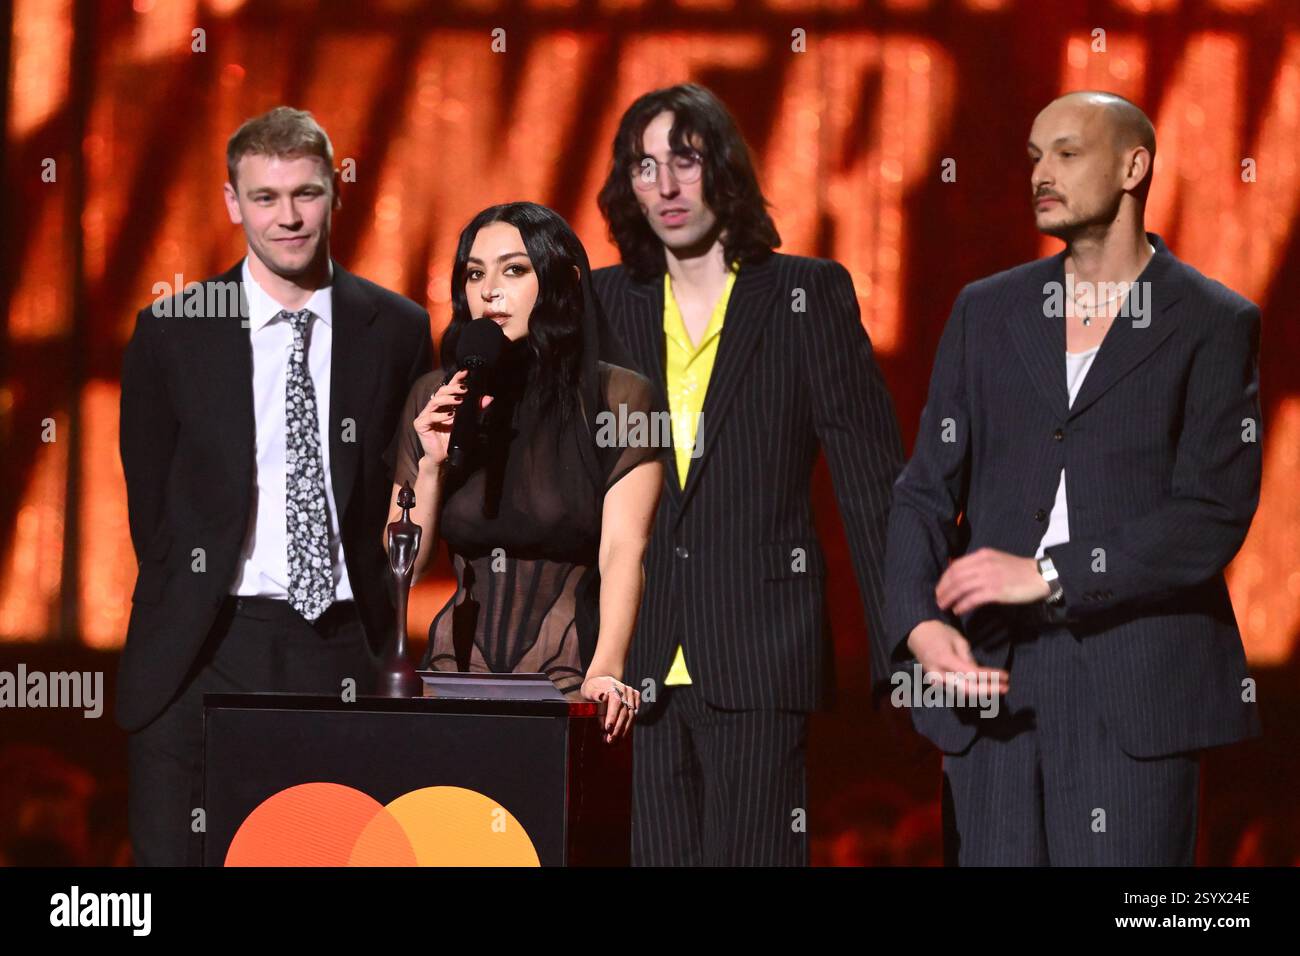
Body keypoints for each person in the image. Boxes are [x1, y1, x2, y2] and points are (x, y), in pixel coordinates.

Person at [885, 91, 1263, 865]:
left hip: (1134, 683)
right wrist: (920, 626)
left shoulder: (1213, 322)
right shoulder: (986, 311)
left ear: (1134, 166)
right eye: (1032, 156)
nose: (1040, 174)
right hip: (993, 684)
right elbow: (924, 488)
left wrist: (1052, 574)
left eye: (1066, 152)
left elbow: (1213, 511)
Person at [592, 83, 904, 865]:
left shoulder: (806, 295)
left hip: (759, 649)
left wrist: (907, 645)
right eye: (643, 166)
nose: (664, 186)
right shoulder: (607, 302)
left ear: (724, 169)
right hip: (640, 658)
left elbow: (872, 486)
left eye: (684, 161)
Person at [117, 106, 434, 866]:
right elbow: (150, 502)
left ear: (335, 192)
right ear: (233, 202)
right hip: (201, 649)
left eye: (307, 193)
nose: (288, 217)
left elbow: (410, 480)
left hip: (340, 650)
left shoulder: (393, 326)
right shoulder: (174, 328)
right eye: (265, 197)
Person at [384, 202, 665, 742]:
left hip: (566, 682)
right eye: (474, 273)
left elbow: (623, 550)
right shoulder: (436, 397)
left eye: (514, 269)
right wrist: (431, 469)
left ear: (559, 281)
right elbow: (405, 573)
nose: (490, 289)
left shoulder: (621, 398)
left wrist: (607, 671)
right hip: (450, 682)